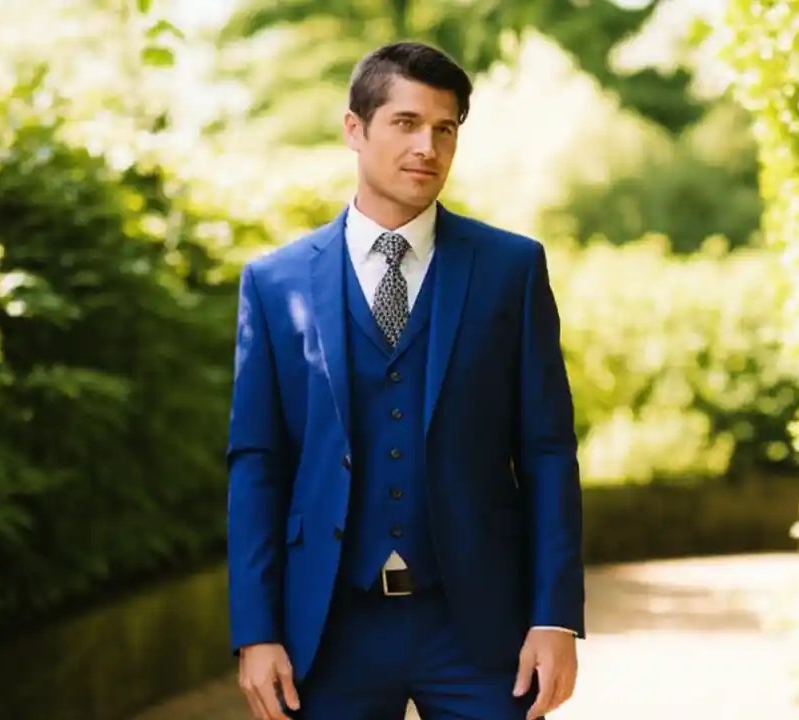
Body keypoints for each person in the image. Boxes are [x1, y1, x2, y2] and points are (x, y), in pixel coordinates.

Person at [226, 40, 585, 720]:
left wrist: (555, 617)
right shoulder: (274, 284)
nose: (428, 146)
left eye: (444, 129)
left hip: (479, 629)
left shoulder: (511, 269)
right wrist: (256, 629)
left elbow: (546, 452)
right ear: (354, 130)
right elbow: (257, 465)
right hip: (327, 629)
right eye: (406, 123)